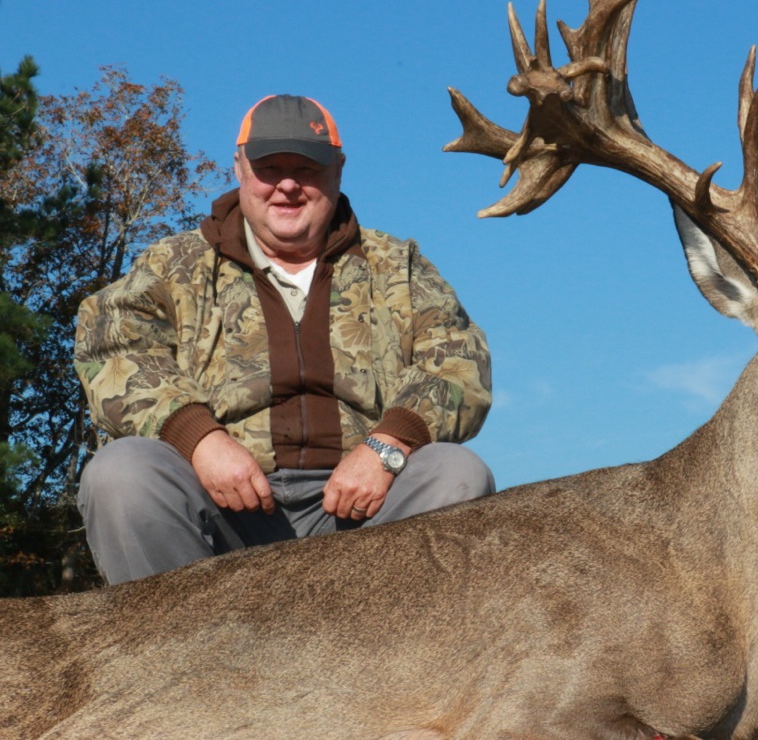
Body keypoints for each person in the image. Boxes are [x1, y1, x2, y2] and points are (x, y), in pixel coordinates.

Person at [74, 95, 494, 585]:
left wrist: (387, 446)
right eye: (269, 168)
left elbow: (459, 364)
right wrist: (200, 439)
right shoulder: (172, 265)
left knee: (456, 473)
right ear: (239, 169)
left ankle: (392, 655)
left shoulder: (397, 265)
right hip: (223, 507)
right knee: (120, 473)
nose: (288, 185)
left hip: (362, 512)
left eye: (307, 168)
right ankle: (187, 656)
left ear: (338, 171)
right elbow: (113, 351)